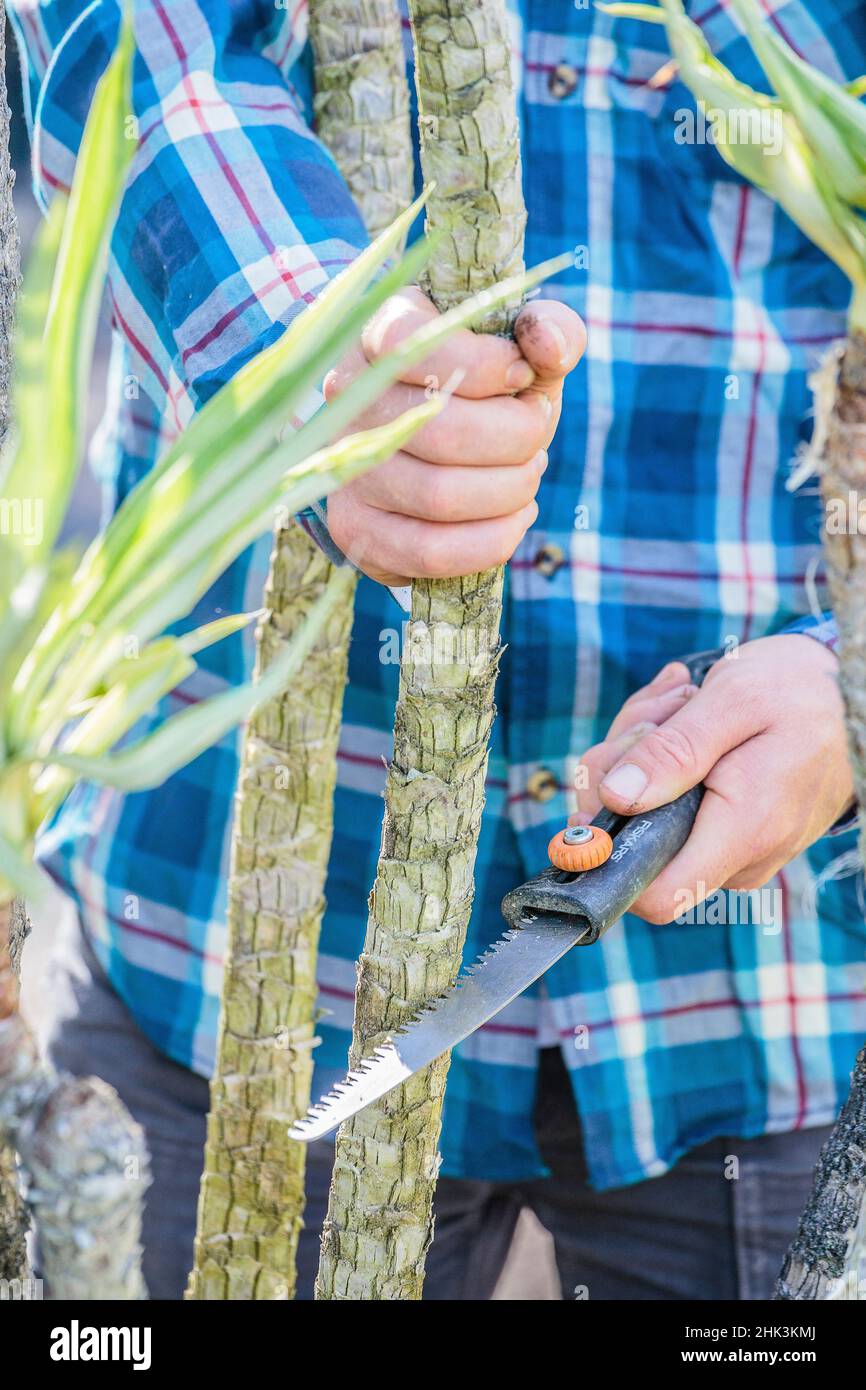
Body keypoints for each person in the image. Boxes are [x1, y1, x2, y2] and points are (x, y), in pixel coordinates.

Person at [10, 0, 865, 1300]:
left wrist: (845, 678)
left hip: (782, 995)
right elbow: (134, 39)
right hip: (221, 964)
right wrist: (301, 367)